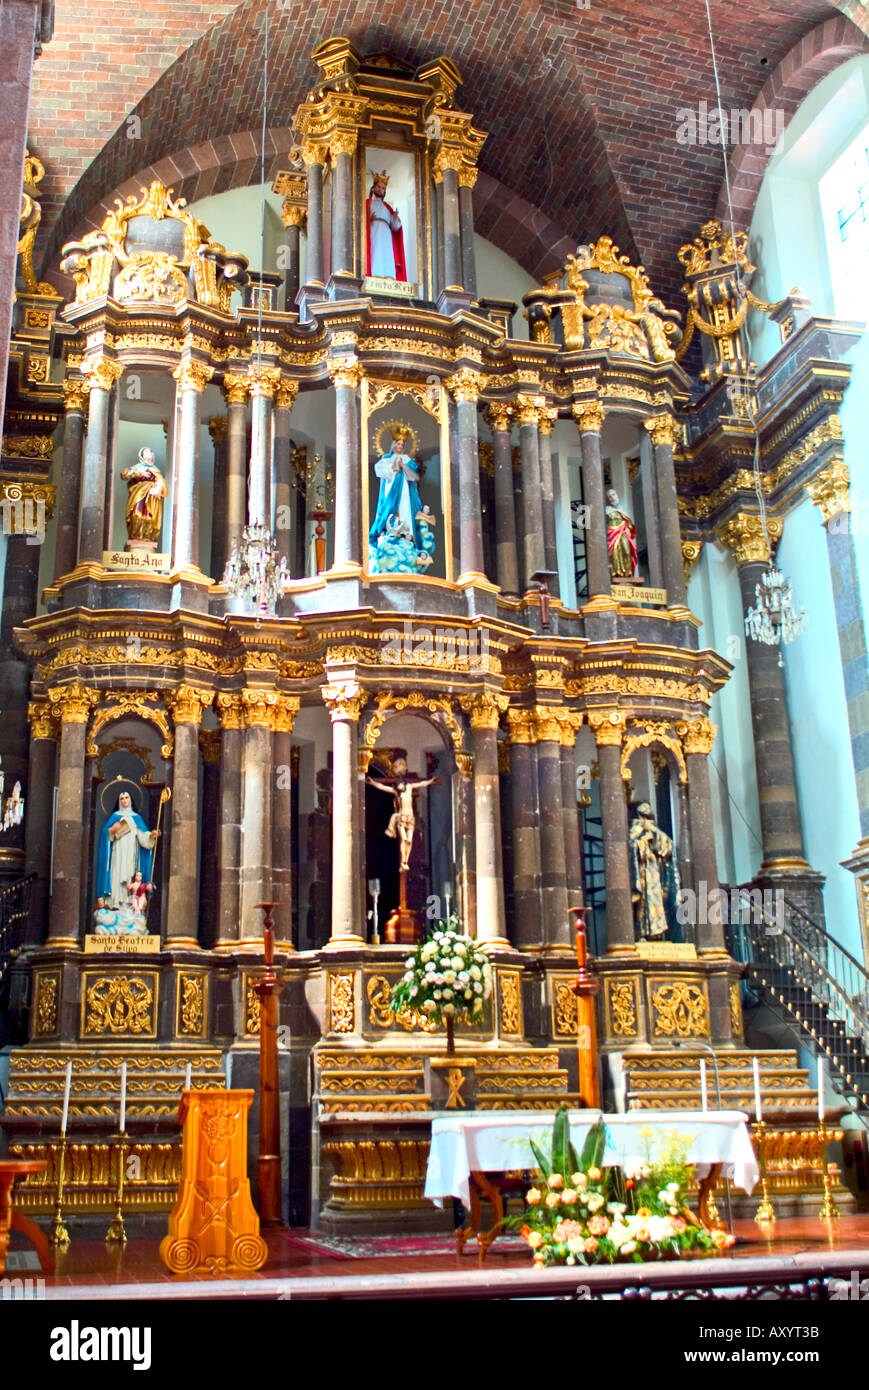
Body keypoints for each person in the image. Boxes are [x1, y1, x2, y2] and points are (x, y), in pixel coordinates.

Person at [366, 757, 441, 871]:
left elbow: (422, 783)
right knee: (404, 839)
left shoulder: (410, 787)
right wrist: (373, 783)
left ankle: (405, 861)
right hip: (402, 817)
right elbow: (382, 787)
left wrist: (431, 781)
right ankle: (403, 863)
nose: (400, 787)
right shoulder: (396, 792)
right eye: (399, 786)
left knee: (409, 841)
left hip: (410, 818)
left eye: (401, 785)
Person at [96, 790, 159, 910]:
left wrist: (150, 836)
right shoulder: (115, 817)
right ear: (119, 801)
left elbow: (143, 838)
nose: (125, 801)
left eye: (127, 798)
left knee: (130, 878)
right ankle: (115, 907)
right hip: (117, 855)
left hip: (131, 855)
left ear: (130, 800)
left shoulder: (137, 818)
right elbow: (104, 835)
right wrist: (111, 830)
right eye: (122, 798)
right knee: (116, 877)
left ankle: (130, 909)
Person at [629, 801, 680, 940]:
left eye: (648, 815)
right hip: (641, 875)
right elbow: (630, 847)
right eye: (643, 815)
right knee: (641, 905)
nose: (646, 819)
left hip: (653, 875)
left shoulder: (654, 830)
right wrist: (641, 841)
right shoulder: (633, 831)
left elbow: (667, 847)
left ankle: (656, 935)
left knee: (655, 904)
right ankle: (641, 934)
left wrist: (653, 833)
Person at [370, 429, 425, 550]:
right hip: (390, 490)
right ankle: (387, 532)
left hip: (404, 491)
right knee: (389, 509)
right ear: (394, 444)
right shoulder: (386, 458)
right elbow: (379, 470)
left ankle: (406, 534)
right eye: (398, 443)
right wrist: (393, 468)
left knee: (404, 509)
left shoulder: (406, 459)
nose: (400, 446)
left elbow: (415, 475)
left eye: (402, 445)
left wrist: (403, 466)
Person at [121, 447, 168, 548]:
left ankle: (148, 537)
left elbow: (162, 483)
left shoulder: (156, 471)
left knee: (150, 517)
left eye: (151, 451)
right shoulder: (136, 468)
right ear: (141, 456)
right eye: (146, 451)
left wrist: (159, 487)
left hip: (151, 499)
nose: (150, 452)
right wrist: (139, 473)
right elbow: (124, 475)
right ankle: (136, 537)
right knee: (136, 514)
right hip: (138, 495)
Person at [365, 171, 406, 282]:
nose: (381, 190)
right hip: (374, 232)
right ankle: (375, 277)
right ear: (373, 188)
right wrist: (367, 221)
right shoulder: (366, 204)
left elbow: (396, 228)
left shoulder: (387, 207)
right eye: (379, 187)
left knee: (387, 254)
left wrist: (395, 218)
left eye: (383, 188)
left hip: (386, 235)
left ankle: (389, 278)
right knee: (376, 253)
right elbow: (360, 224)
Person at [606, 487, 638, 579]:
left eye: (613, 495)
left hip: (622, 533)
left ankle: (628, 573)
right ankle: (617, 573)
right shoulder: (607, 510)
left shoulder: (622, 509)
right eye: (610, 497)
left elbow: (628, 523)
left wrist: (628, 528)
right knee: (615, 552)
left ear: (617, 495)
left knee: (627, 551)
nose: (612, 498)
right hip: (612, 534)